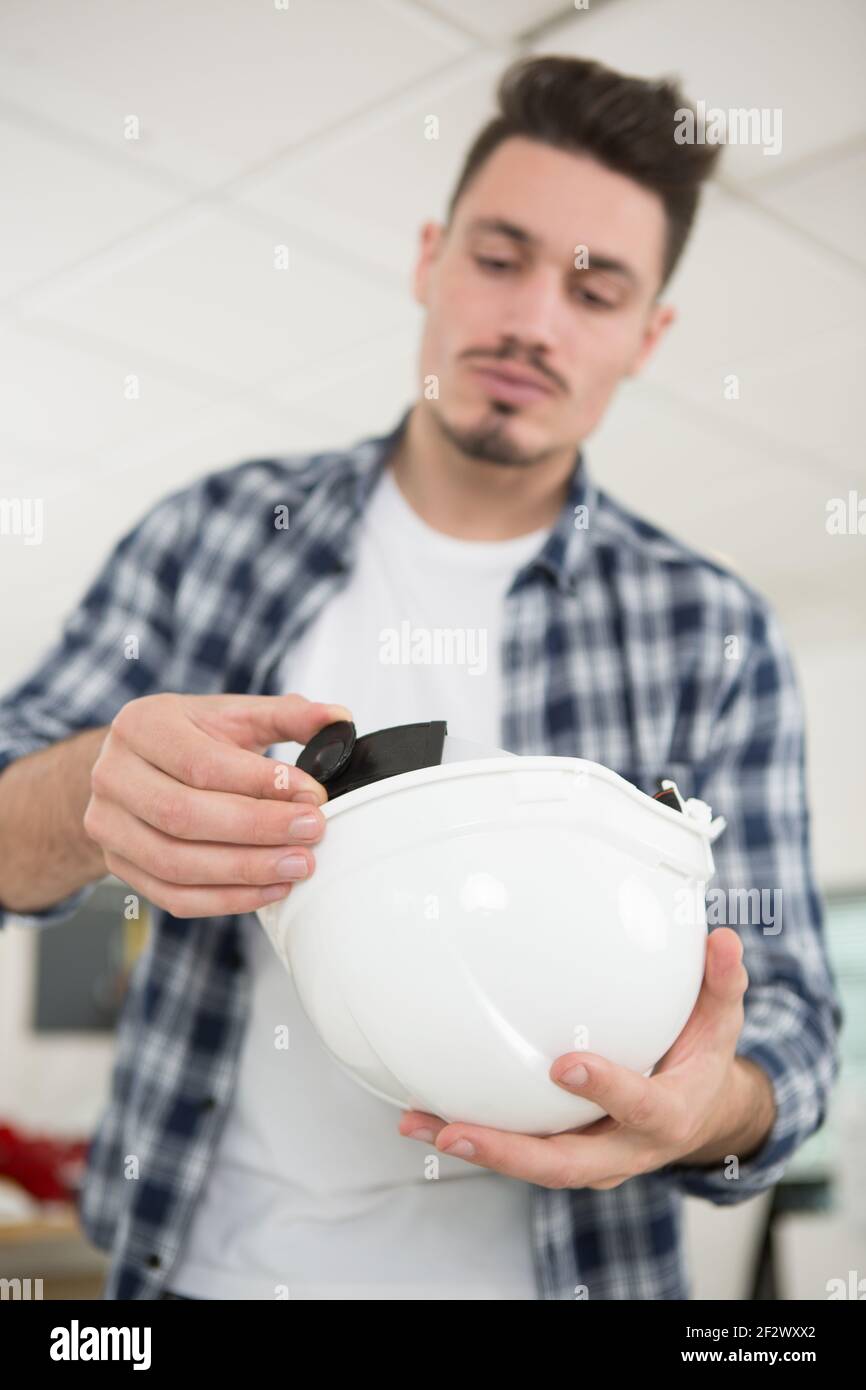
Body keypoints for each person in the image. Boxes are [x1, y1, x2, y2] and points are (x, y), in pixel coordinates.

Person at [0, 55, 842, 1300]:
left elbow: (794, 1028)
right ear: (428, 260)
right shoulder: (211, 535)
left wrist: (708, 1107)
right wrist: (87, 796)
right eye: (498, 260)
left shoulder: (711, 630)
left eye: (595, 288)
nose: (534, 322)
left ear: (648, 334)